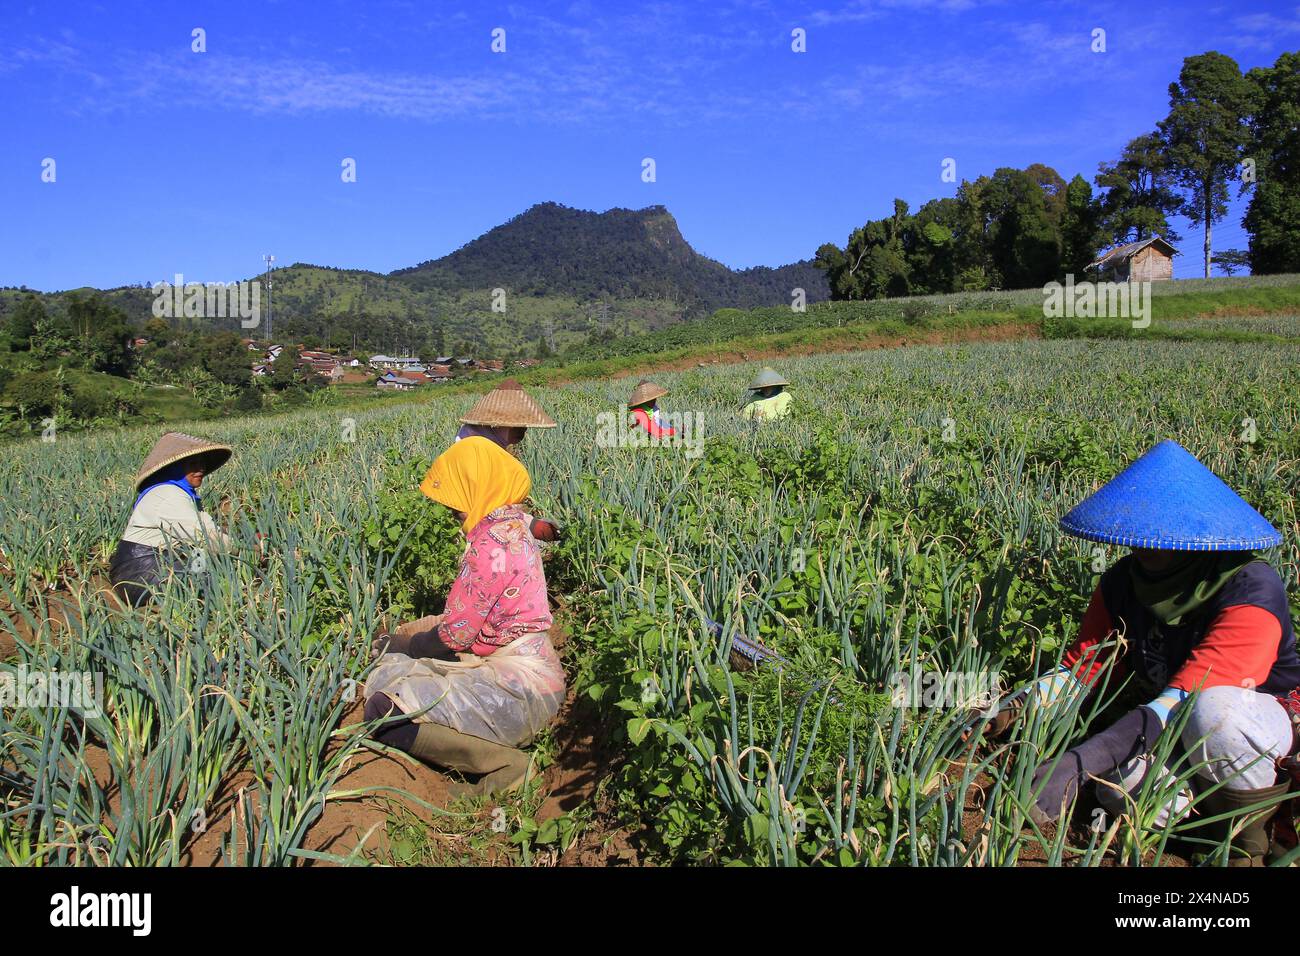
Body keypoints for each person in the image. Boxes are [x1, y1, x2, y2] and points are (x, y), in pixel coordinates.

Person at [982, 440, 1300, 865]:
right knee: (1114, 788)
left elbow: (1186, 699)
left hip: (1257, 725)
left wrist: (1080, 760)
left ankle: (1253, 839)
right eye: (1140, 536)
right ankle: (1205, 827)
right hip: (1172, 730)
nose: (1145, 548)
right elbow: (1087, 669)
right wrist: (1010, 708)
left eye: (1160, 537)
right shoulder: (1122, 582)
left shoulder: (1249, 587)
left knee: (1215, 712)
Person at [363, 427, 566, 797]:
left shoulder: (488, 547)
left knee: (383, 709)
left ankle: (506, 766)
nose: (454, 509)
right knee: (409, 669)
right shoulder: (511, 522)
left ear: (478, 489)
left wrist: (404, 646)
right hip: (537, 677)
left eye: (458, 498)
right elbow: (532, 525)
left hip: (519, 694)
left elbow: (454, 634)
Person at [109, 432, 233, 607]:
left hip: (149, 565)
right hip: (141, 574)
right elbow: (205, 537)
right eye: (192, 464)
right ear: (175, 468)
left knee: (211, 566)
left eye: (201, 463)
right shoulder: (169, 496)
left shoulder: (180, 492)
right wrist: (242, 550)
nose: (200, 469)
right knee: (213, 575)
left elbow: (205, 528)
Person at [453, 378, 561, 542]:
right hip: (477, 543)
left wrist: (534, 527)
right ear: (495, 425)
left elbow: (501, 508)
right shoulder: (468, 456)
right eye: (516, 424)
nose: (523, 429)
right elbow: (464, 513)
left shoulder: (497, 451)